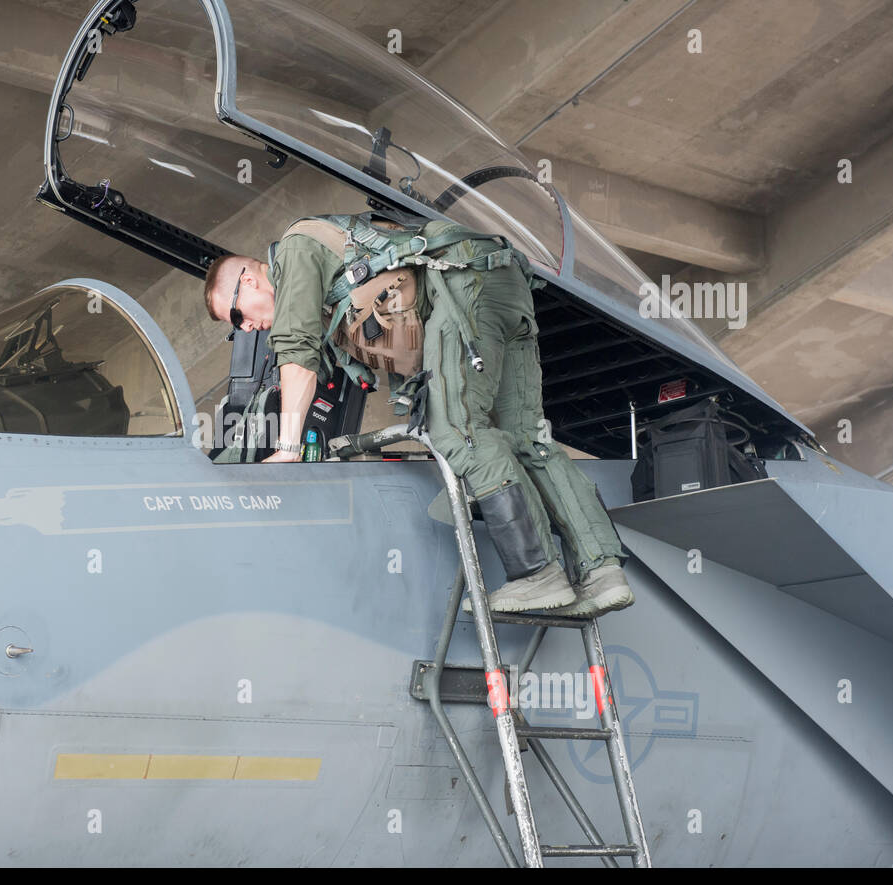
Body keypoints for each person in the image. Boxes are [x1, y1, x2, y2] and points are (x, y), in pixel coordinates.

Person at [203, 216, 634, 618]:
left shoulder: (296, 250)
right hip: (501, 284)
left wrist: (288, 449)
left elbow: (296, 356)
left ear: (250, 279)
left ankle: (537, 574)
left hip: (466, 289)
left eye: (238, 315)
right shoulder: (324, 273)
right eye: (235, 327)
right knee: (525, 437)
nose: (246, 329)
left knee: (458, 431)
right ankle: (602, 572)